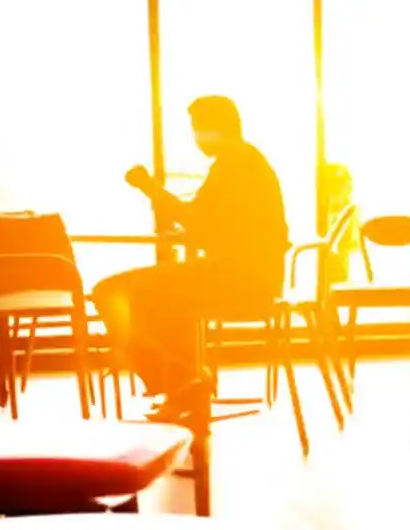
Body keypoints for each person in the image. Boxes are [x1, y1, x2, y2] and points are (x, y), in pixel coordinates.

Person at [91, 95, 289, 421]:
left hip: (241, 280)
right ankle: (183, 384)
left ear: (217, 129)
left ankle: (179, 384)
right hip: (248, 276)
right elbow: (216, 226)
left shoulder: (235, 166)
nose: (196, 138)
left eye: (199, 129)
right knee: (152, 292)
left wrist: (148, 187)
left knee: (116, 292)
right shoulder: (244, 162)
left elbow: (196, 221)